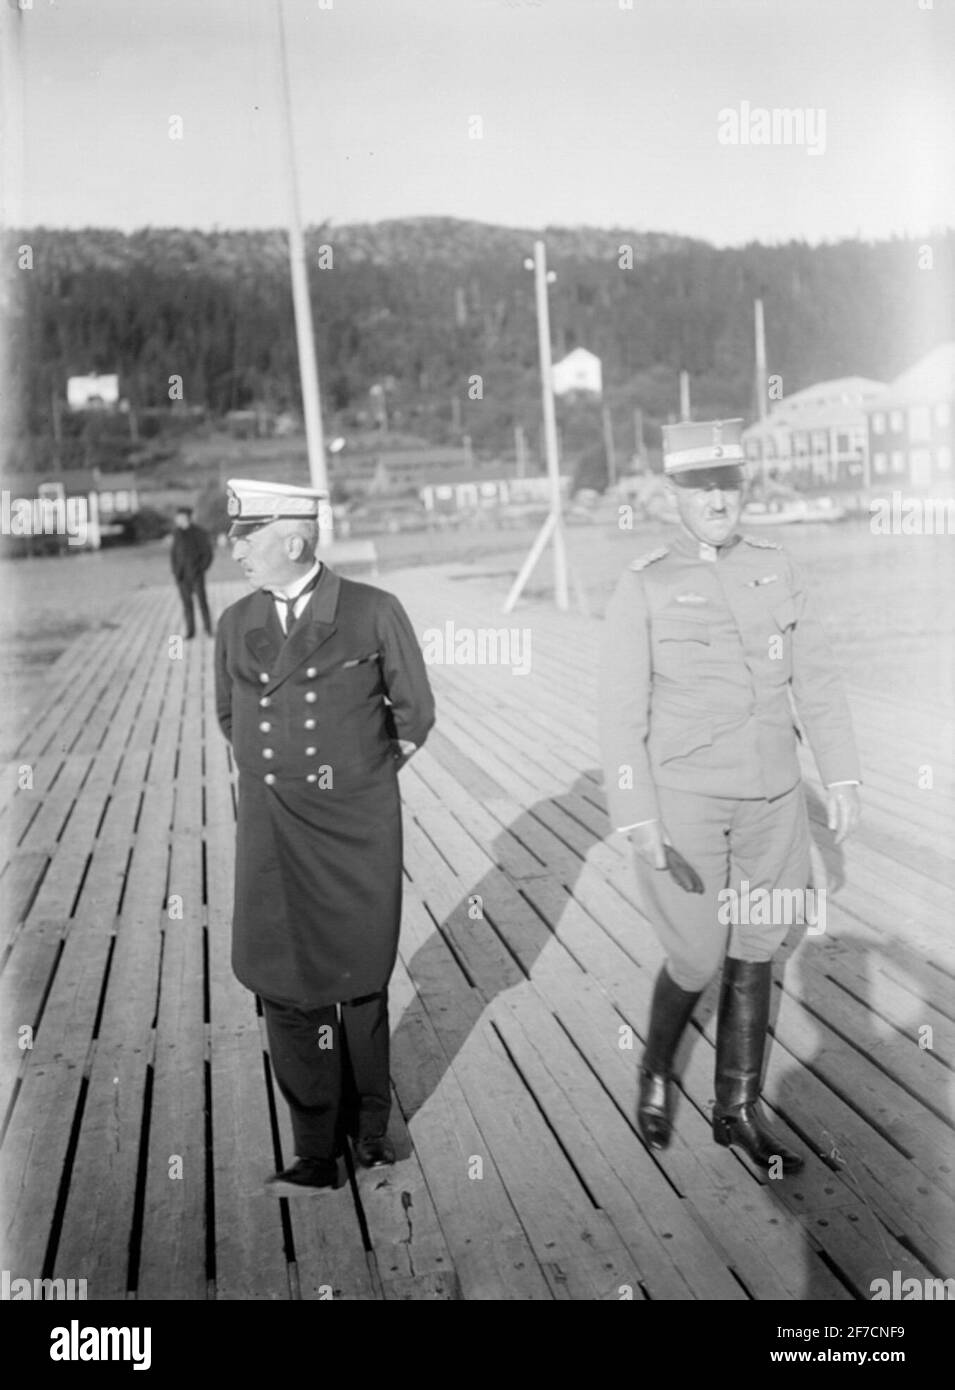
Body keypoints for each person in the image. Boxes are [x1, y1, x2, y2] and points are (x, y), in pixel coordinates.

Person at [598, 419, 861, 1175]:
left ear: (742, 486)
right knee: (694, 951)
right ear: (672, 493)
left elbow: (816, 677)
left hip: (774, 795)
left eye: (726, 483)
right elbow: (618, 716)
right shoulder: (643, 582)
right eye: (696, 485)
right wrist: (635, 815)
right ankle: (655, 1068)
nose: (714, 499)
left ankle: (734, 1108)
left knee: (759, 941)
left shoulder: (779, 568)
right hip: (684, 801)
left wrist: (839, 773)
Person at [214, 479, 435, 1193]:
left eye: (247, 536)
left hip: (354, 824)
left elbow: (414, 713)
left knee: (358, 978)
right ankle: (314, 1145)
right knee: (284, 983)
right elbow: (230, 716)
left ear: (294, 539)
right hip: (274, 827)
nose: (235, 548)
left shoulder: (372, 611)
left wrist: (360, 780)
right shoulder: (233, 621)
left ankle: (370, 1131)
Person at [170, 506, 214, 638]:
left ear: (186, 518)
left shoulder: (199, 532)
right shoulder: (177, 533)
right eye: (177, 517)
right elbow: (173, 554)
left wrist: (201, 568)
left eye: (180, 517)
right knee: (187, 605)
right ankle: (190, 631)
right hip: (182, 576)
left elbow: (208, 554)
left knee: (202, 602)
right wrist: (175, 571)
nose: (177, 520)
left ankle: (208, 629)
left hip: (196, 575)